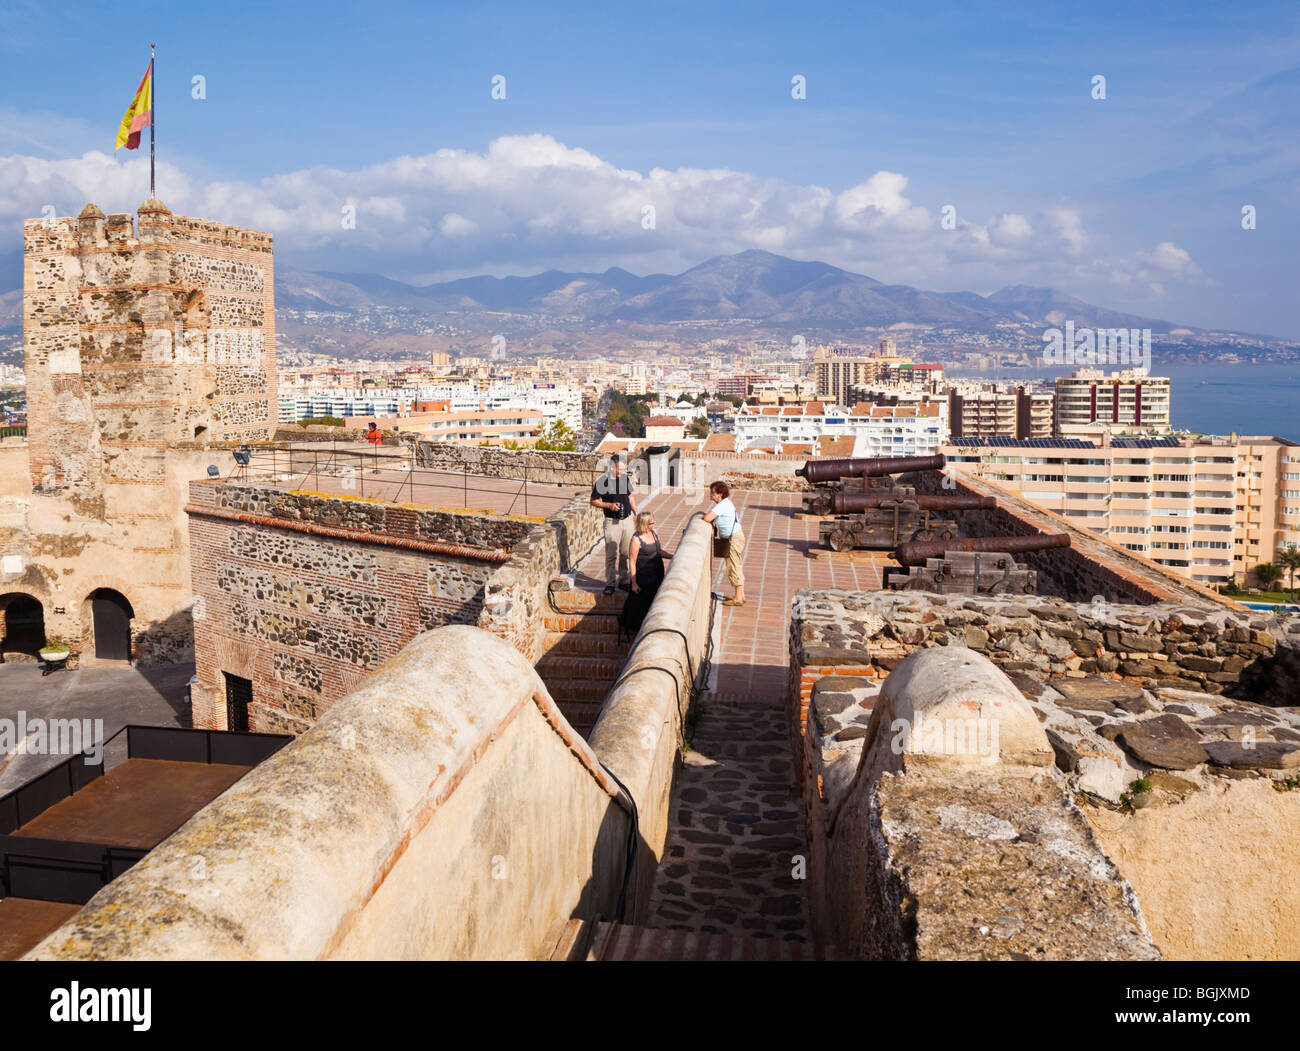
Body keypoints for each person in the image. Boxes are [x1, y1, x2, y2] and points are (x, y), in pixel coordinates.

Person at [590, 455, 639, 594]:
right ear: (612, 467)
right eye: (620, 469)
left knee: (626, 553)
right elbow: (593, 501)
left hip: (627, 520)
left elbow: (630, 496)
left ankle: (624, 581)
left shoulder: (624, 478)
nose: (623, 472)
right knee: (611, 554)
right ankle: (610, 584)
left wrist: (635, 512)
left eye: (624, 469)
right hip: (612, 522)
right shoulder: (602, 482)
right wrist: (609, 505)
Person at [619, 511, 672, 636]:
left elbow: (658, 551)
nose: (654, 524)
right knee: (641, 606)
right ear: (645, 524)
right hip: (644, 577)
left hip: (657, 574)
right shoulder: (636, 540)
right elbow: (632, 562)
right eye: (652, 522)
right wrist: (634, 583)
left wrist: (672, 556)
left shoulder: (654, 533)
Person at [702, 480, 745, 606]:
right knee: (735, 564)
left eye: (712, 492)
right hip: (735, 536)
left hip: (733, 539)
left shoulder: (722, 505)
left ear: (720, 494)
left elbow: (707, 518)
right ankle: (741, 595)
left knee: (733, 566)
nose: (710, 495)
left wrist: (704, 517)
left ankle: (737, 598)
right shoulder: (725, 503)